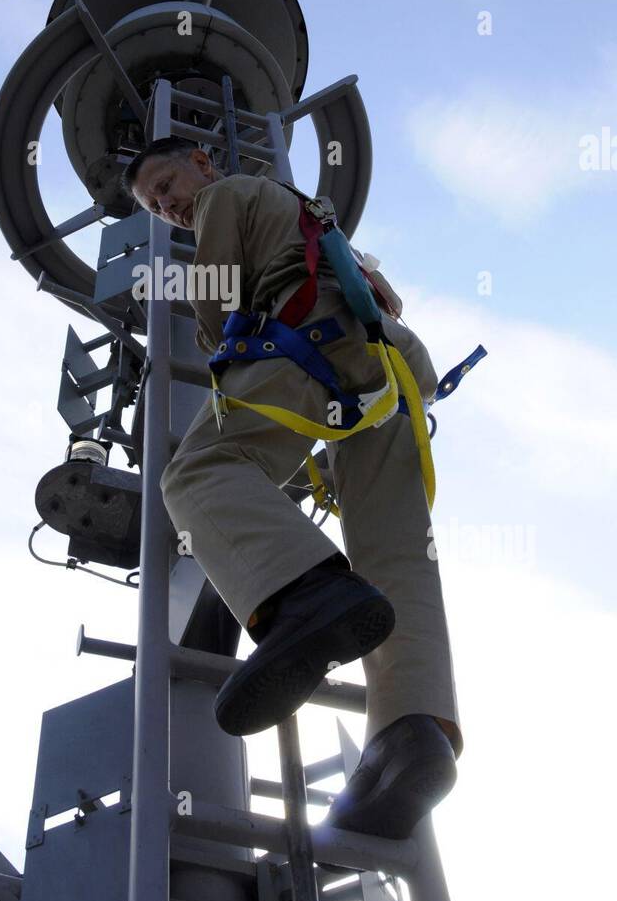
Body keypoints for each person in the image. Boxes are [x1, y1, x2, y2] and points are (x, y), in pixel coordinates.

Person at [121, 136, 462, 843]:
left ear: (204, 163)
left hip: (307, 341)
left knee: (197, 472)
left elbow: (216, 312)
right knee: (394, 555)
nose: (168, 204)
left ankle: (301, 595)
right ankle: (411, 736)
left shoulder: (228, 195)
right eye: (153, 203)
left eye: (167, 182)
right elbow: (383, 297)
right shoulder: (327, 225)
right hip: (389, 375)